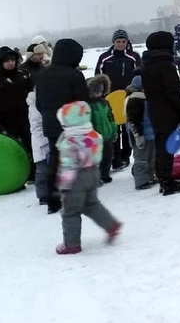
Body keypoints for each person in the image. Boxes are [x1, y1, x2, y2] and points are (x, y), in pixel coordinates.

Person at [54, 101, 122, 255]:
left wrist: (64, 186)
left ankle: (71, 244)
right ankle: (111, 224)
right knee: (91, 204)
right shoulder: (94, 136)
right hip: (93, 173)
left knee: (70, 211)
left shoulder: (68, 142)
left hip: (75, 178)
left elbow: (68, 165)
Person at [34, 38, 90, 214]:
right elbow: (83, 103)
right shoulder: (74, 75)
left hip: (51, 126)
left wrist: (49, 117)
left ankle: (53, 200)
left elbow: (39, 103)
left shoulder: (42, 74)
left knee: (55, 162)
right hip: (73, 127)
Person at [140, 31, 180, 195]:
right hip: (167, 111)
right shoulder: (164, 65)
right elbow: (173, 91)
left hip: (155, 110)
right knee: (166, 148)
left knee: (161, 146)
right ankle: (167, 182)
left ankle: (164, 179)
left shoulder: (147, 64)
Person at [0, 47, 34, 175]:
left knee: (31, 146)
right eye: (6, 60)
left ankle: (34, 172)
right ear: (1, 62)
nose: (10, 63)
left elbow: (33, 94)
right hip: (6, 123)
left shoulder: (24, 75)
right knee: (13, 151)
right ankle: (17, 175)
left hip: (26, 119)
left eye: (12, 59)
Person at [94, 29, 140, 172]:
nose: (121, 44)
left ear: (127, 42)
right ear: (113, 42)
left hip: (128, 97)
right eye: (118, 41)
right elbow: (98, 76)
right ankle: (115, 158)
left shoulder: (133, 57)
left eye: (123, 41)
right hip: (110, 98)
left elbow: (139, 75)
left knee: (127, 128)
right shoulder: (105, 58)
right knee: (113, 129)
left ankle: (126, 156)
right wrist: (101, 94)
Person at [124, 75, 157, 190]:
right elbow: (133, 121)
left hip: (151, 133)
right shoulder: (134, 101)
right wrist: (138, 136)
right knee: (141, 159)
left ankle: (151, 176)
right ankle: (141, 181)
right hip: (140, 135)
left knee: (152, 157)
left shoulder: (147, 98)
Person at [86, 76, 118, 184]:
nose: (99, 93)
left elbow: (110, 116)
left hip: (107, 135)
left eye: (101, 91)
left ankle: (105, 174)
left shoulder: (105, 102)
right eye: (96, 91)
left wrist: (114, 129)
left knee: (107, 156)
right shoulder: (88, 105)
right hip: (94, 137)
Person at [27, 89, 50, 205]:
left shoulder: (49, 102)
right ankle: (43, 195)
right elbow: (36, 127)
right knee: (42, 170)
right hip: (41, 142)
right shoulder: (34, 107)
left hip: (51, 140)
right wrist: (46, 139)